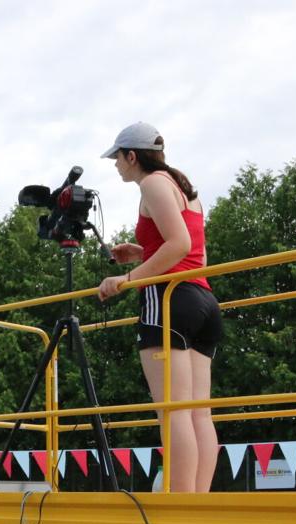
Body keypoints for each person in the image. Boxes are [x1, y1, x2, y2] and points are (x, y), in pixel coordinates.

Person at [98, 122, 222, 494]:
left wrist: (128, 278)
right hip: (202, 300)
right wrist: (142, 252)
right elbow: (191, 248)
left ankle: (179, 505)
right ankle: (196, 503)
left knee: (173, 412)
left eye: (117, 158)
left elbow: (179, 244)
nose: (116, 165)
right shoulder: (183, 188)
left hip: (169, 299)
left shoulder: (151, 184)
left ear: (132, 156)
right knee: (199, 412)